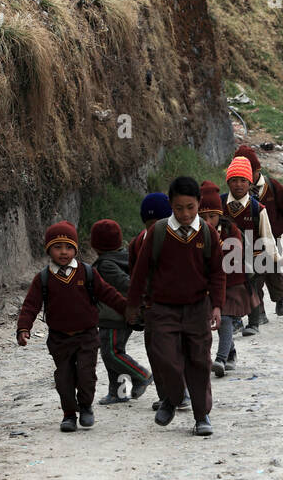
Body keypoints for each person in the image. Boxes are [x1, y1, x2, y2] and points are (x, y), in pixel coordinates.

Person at [126, 176, 225, 437]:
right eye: (179, 208)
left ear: (199, 204)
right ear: (171, 204)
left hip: (196, 308)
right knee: (165, 358)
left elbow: (217, 273)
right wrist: (133, 304)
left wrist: (216, 306)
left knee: (199, 361)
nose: (185, 213)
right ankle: (171, 397)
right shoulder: (158, 232)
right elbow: (140, 272)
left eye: (190, 207)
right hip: (162, 309)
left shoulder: (208, 233)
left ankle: (201, 415)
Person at [16, 221, 130, 432]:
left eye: (68, 247)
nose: (63, 252)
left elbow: (108, 294)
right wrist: (24, 328)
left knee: (87, 375)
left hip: (87, 336)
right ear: (48, 249)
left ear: (75, 249)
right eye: (57, 247)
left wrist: (127, 309)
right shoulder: (43, 278)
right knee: (64, 378)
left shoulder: (86, 273)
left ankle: (86, 407)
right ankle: (69, 414)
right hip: (59, 338)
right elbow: (30, 305)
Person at [89, 219, 151, 405]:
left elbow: (127, 284)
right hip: (121, 313)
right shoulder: (124, 257)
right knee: (114, 353)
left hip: (114, 315)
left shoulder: (106, 265)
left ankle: (142, 375)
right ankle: (119, 392)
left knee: (111, 353)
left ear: (95, 244)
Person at [237, 143, 283, 318]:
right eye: (242, 176)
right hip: (248, 241)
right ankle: (259, 313)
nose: (246, 179)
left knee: (273, 274)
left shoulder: (272, 187)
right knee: (254, 278)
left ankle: (280, 297)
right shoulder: (237, 193)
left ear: (258, 169)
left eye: (251, 174)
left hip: (272, 239)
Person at [221, 154, 275, 335]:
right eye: (234, 180)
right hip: (226, 256)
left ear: (250, 183)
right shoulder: (220, 205)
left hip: (253, 255)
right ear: (228, 182)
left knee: (251, 288)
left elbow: (267, 235)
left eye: (243, 180)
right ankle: (234, 320)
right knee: (228, 288)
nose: (238, 185)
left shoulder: (257, 209)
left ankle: (253, 322)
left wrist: (273, 257)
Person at [199, 180, 247, 378]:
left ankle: (220, 359)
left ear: (220, 215)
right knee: (216, 322)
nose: (209, 221)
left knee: (225, 318)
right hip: (206, 285)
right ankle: (231, 352)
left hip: (231, 283)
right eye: (204, 217)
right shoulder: (194, 235)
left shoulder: (230, 231)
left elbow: (236, 256)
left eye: (213, 216)